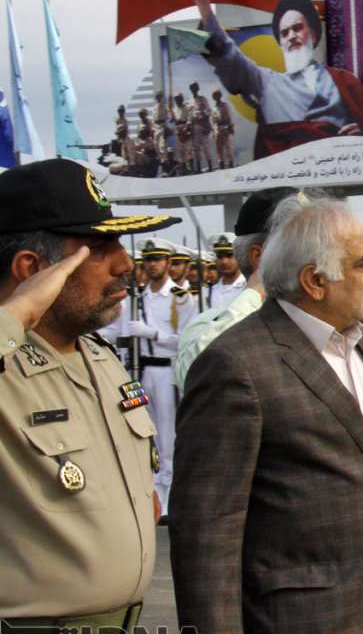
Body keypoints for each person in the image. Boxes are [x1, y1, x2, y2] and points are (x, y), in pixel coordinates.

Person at [171, 192, 363, 634]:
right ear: (315, 281)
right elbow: (207, 535)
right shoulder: (237, 365)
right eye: (362, 263)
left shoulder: (361, 346)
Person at [0, 159, 177, 634]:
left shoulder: (99, 357)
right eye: (100, 248)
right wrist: (16, 315)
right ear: (31, 268)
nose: (124, 263)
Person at [173, 0, 363, 159]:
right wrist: (203, 5)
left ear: (313, 33)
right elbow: (229, 56)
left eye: (297, 28)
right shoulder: (267, 82)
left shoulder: (342, 81)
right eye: (285, 33)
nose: (291, 36)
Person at [102, 237, 195, 521]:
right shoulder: (135, 299)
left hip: (166, 372)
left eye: (157, 260)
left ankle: (169, 496)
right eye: (148, 260)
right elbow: (115, 332)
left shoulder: (181, 298)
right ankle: (150, 490)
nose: (152, 265)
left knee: (167, 435)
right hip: (138, 373)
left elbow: (186, 340)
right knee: (142, 431)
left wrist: (152, 334)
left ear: (168, 262)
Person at [173, 189, 291, 392]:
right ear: (260, 258)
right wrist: (252, 296)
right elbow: (195, 372)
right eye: (304, 245)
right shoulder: (212, 321)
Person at [207, 232, 245, 310]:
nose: (224, 261)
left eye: (229, 255)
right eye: (220, 256)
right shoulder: (209, 292)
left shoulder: (248, 287)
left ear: (239, 255)